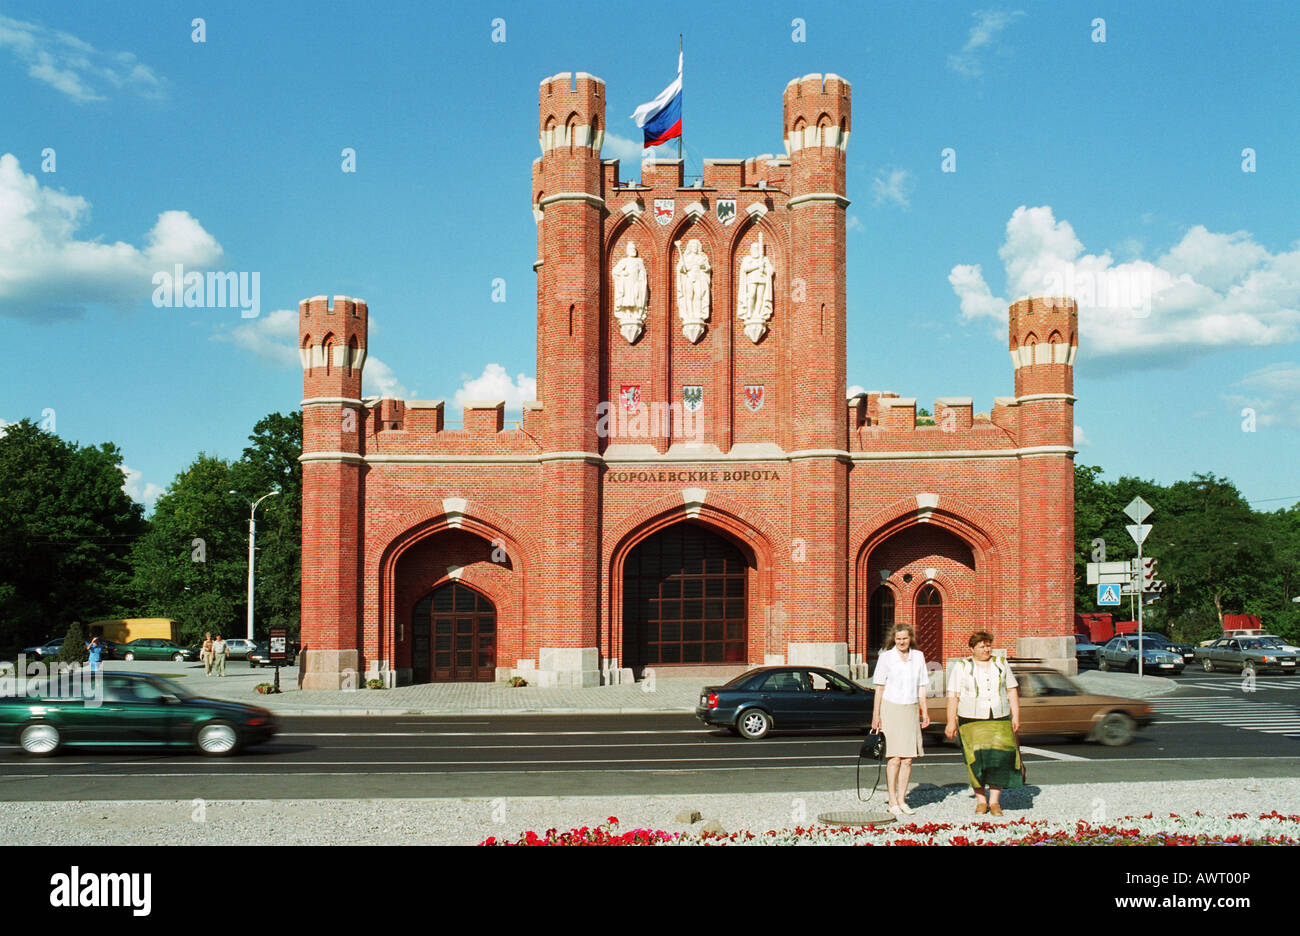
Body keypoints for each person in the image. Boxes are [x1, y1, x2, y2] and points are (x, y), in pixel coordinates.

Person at [945, 630, 1024, 816]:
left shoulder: (1001, 664)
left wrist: (1016, 716)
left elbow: (1012, 690)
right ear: (971, 648)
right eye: (982, 646)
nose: (986, 649)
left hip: (999, 717)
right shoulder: (962, 666)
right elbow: (953, 696)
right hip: (971, 720)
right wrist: (950, 722)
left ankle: (995, 801)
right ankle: (981, 800)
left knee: (1000, 759)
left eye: (988, 645)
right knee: (976, 761)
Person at [871, 623, 930, 815]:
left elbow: (921, 686)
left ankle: (903, 799)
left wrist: (925, 711)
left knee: (908, 759)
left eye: (905, 638)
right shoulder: (886, 658)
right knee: (895, 757)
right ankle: (892, 801)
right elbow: (879, 688)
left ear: (910, 638)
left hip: (911, 707)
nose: (902, 642)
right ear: (893, 640)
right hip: (891, 707)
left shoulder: (918, 657)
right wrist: (876, 715)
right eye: (898, 639)